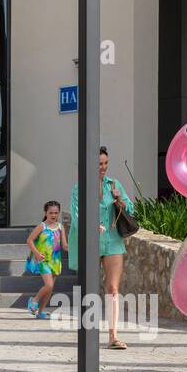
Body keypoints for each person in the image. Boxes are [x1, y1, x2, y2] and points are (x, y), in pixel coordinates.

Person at [70, 146, 135, 349]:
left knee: (113, 288)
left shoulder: (114, 184)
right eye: (100, 164)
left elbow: (131, 209)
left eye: (106, 163)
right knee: (89, 288)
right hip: (90, 242)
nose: (103, 167)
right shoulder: (79, 188)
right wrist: (91, 226)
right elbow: (75, 216)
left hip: (113, 241)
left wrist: (120, 200)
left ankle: (113, 336)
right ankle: (88, 337)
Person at [25, 200, 66, 320]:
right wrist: (36, 254)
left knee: (50, 288)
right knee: (48, 285)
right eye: (51, 212)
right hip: (43, 260)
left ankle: (41, 312)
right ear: (46, 213)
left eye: (56, 213)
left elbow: (64, 246)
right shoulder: (41, 226)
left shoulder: (60, 227)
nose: (54, 215)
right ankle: (34, 301)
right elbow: (29, 240)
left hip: (55, 261)